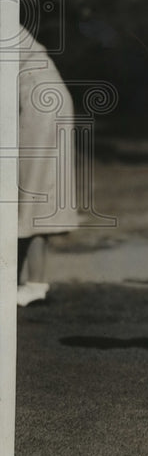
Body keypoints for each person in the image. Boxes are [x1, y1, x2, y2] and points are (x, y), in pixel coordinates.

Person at [17, 27, 79, 306]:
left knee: (33, 194)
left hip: (39, 101)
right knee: (29, 194)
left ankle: (34, 285)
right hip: (42, 99)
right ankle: (22, 281)